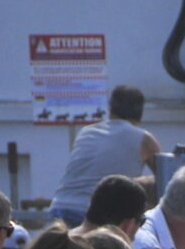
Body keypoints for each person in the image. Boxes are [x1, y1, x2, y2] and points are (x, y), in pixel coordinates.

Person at [48, 86, 161, 229]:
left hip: (59, 209)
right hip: (95, 216)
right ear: (141, 112)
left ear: (110, 108)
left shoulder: (86, 132)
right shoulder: (144, 139)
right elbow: (166, 179)